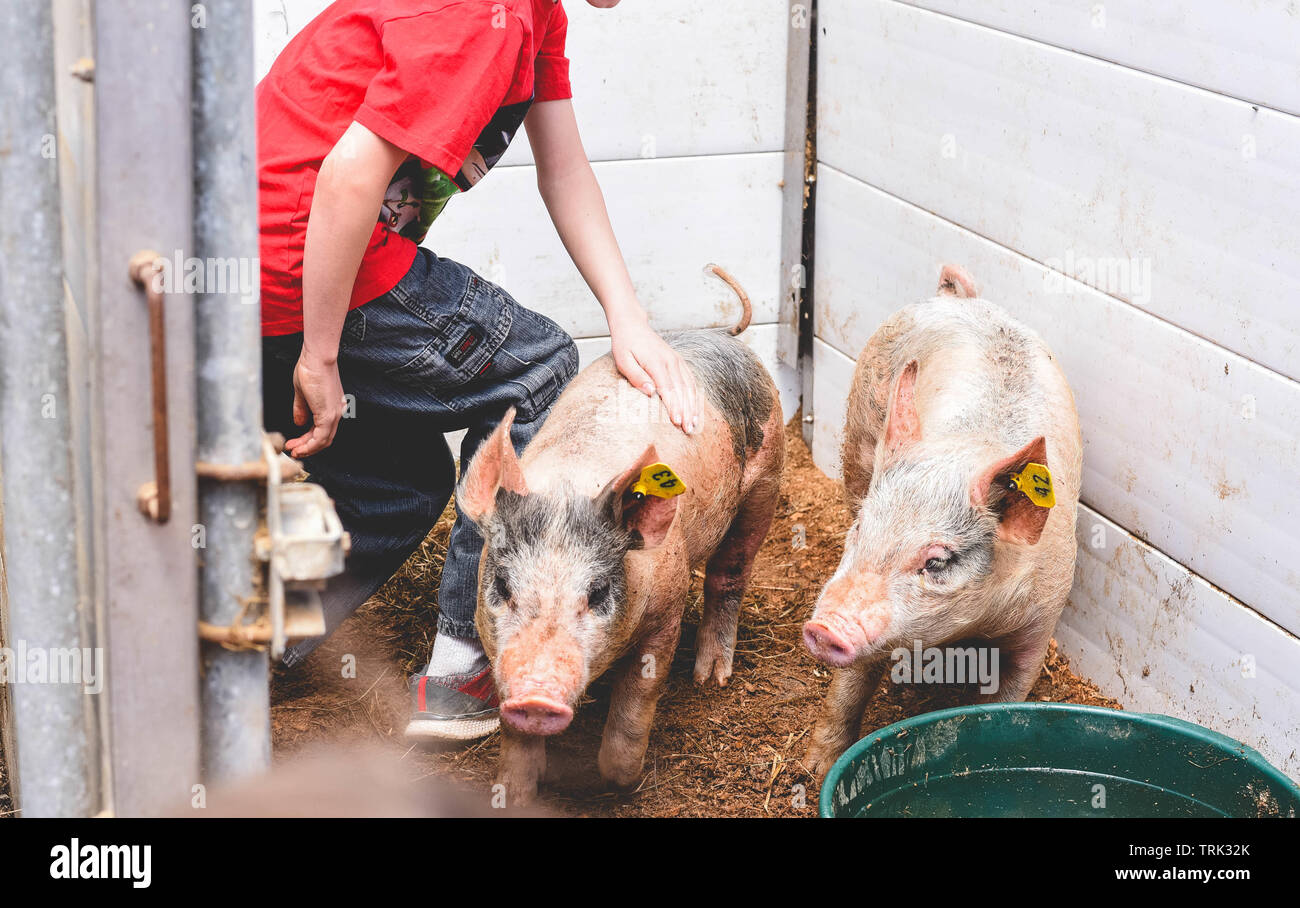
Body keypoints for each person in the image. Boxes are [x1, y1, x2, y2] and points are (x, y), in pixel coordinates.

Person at [257, 0, 700, 742]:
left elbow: (563, 170)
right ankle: (469, 661)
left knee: (401, 485)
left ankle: (244, 645)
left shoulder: (536, 16)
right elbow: (345, 177)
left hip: (271, 270)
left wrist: (628, 315)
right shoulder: (479, 11)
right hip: (309, 261)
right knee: (540, 369)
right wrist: (321, 356)